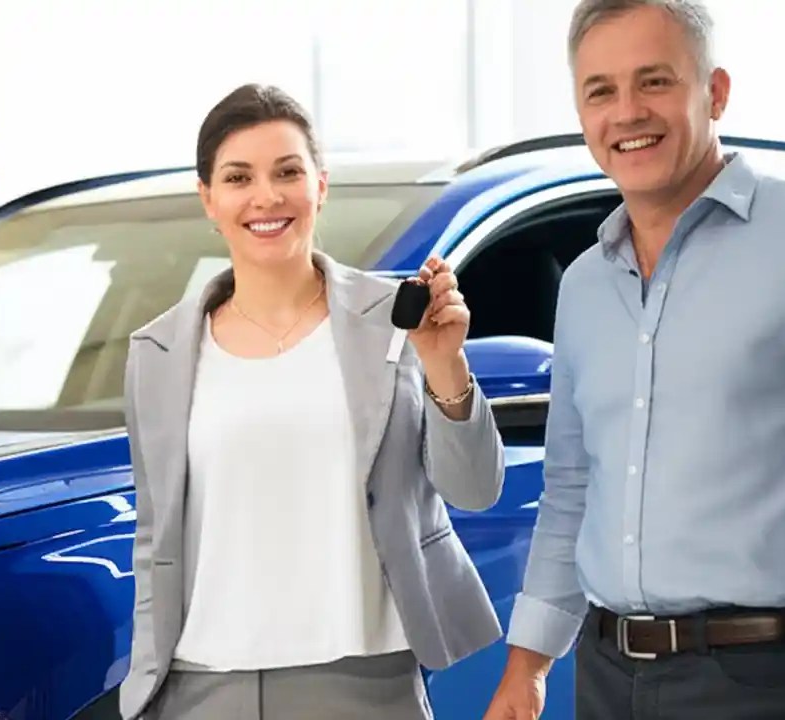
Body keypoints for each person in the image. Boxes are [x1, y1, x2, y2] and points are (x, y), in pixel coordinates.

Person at [117, 82, 505, 720]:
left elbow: (473, 489)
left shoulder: (397, 320)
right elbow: (154, 534)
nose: (265, 196)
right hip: (203, 689)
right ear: (208, 199)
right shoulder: (156, 352)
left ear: (320, 184)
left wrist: (444, 363)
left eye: (287, 172)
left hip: (364, 686)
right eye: (238, 177)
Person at [483, 2, 785, 719]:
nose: (627, 112)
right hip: (610, 679)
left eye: (655, 82)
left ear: (716, 91)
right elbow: (571, 487)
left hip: (773, 678)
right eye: (600, 90)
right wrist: (529, 665)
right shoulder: (583, 286)